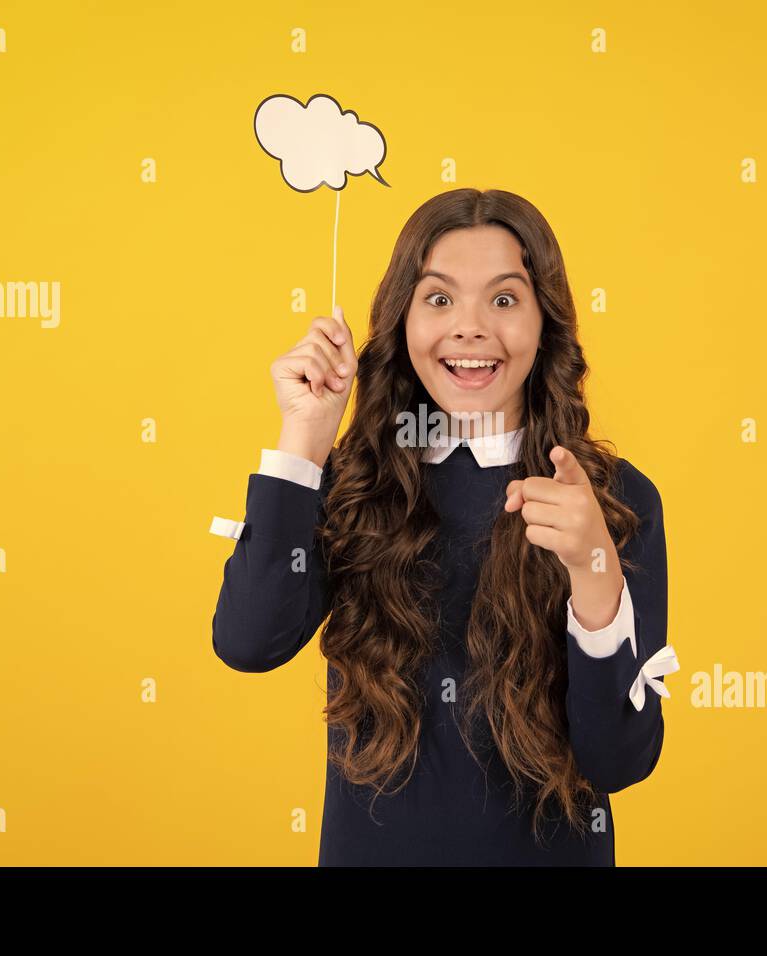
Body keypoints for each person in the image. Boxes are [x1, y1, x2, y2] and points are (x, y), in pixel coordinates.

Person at [212, 188, 678, 866]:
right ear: (401, 319)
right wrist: (305, 437)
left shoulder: (614, 499)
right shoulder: (353, 481)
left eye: (504, 299)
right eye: (438, 299)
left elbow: (617, 762)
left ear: (546, 322)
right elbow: (248, 642)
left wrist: (592, 568)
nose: (469, 327)